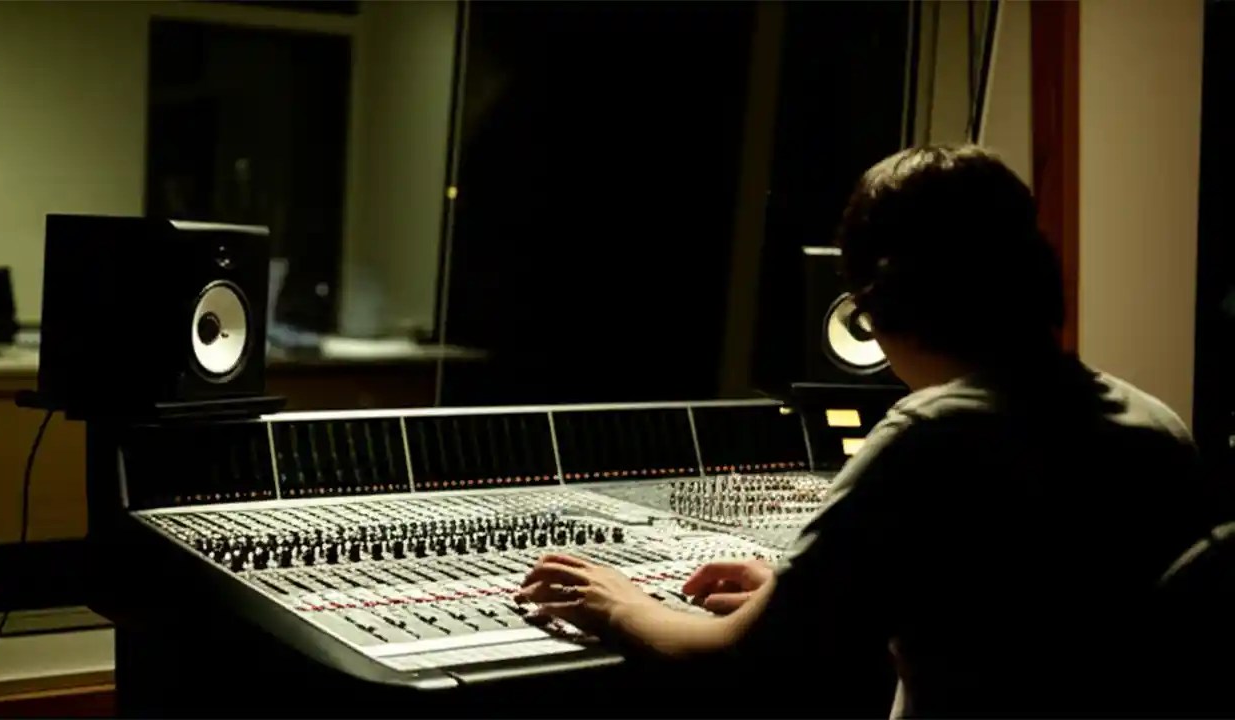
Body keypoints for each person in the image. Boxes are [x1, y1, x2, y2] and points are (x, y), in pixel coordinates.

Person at [515, 145, 1223, 717]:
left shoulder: (933, 432)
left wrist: (622, 605)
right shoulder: (1158, 425)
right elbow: (1038, 642)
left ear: (875, 307)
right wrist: (814, 594)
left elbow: (736, 659)